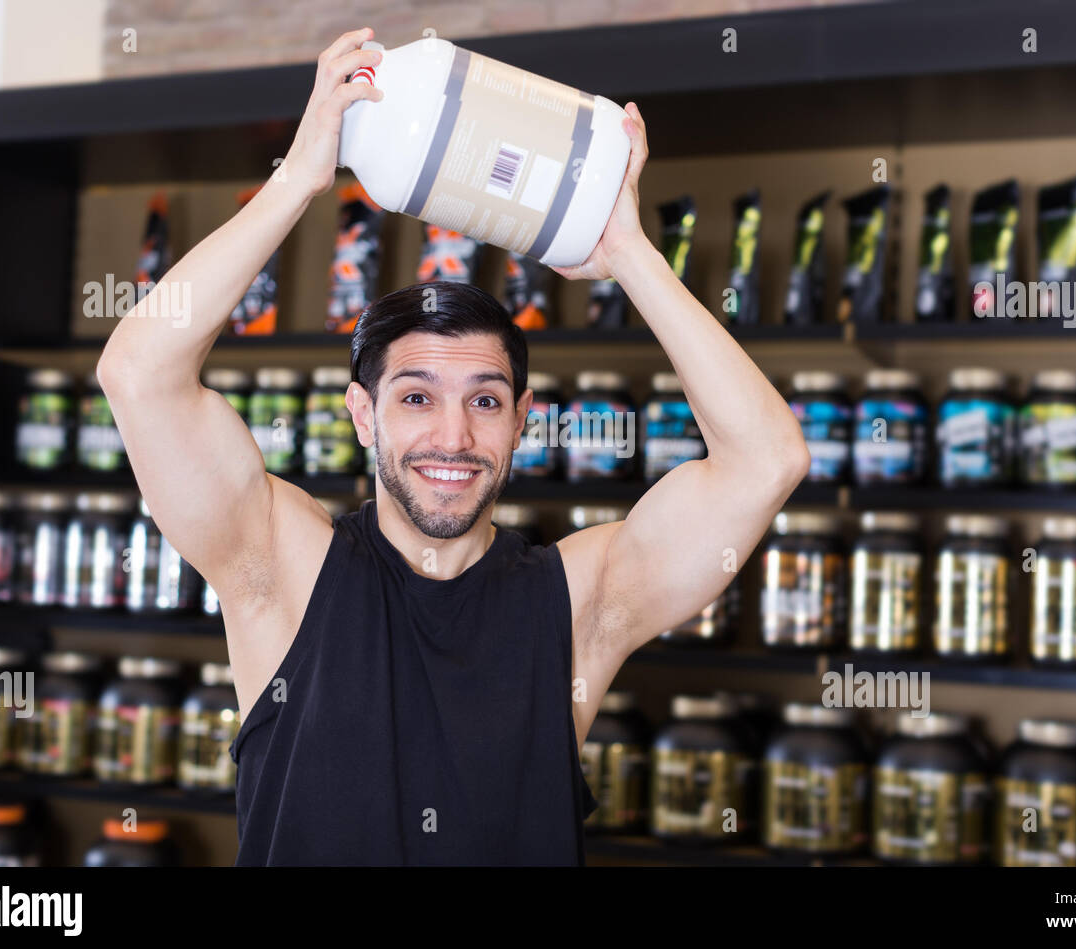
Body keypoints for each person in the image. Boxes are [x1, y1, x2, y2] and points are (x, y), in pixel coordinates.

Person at [97, 26, 810, 865]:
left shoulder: (578, 603)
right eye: (415, 398)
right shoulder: (280, 569)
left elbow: (768, 461)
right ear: (364, 418)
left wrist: (630, 254)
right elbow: (140, 371)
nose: (453, 436)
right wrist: (296, 182)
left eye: (484, 400)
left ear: (523, 420)